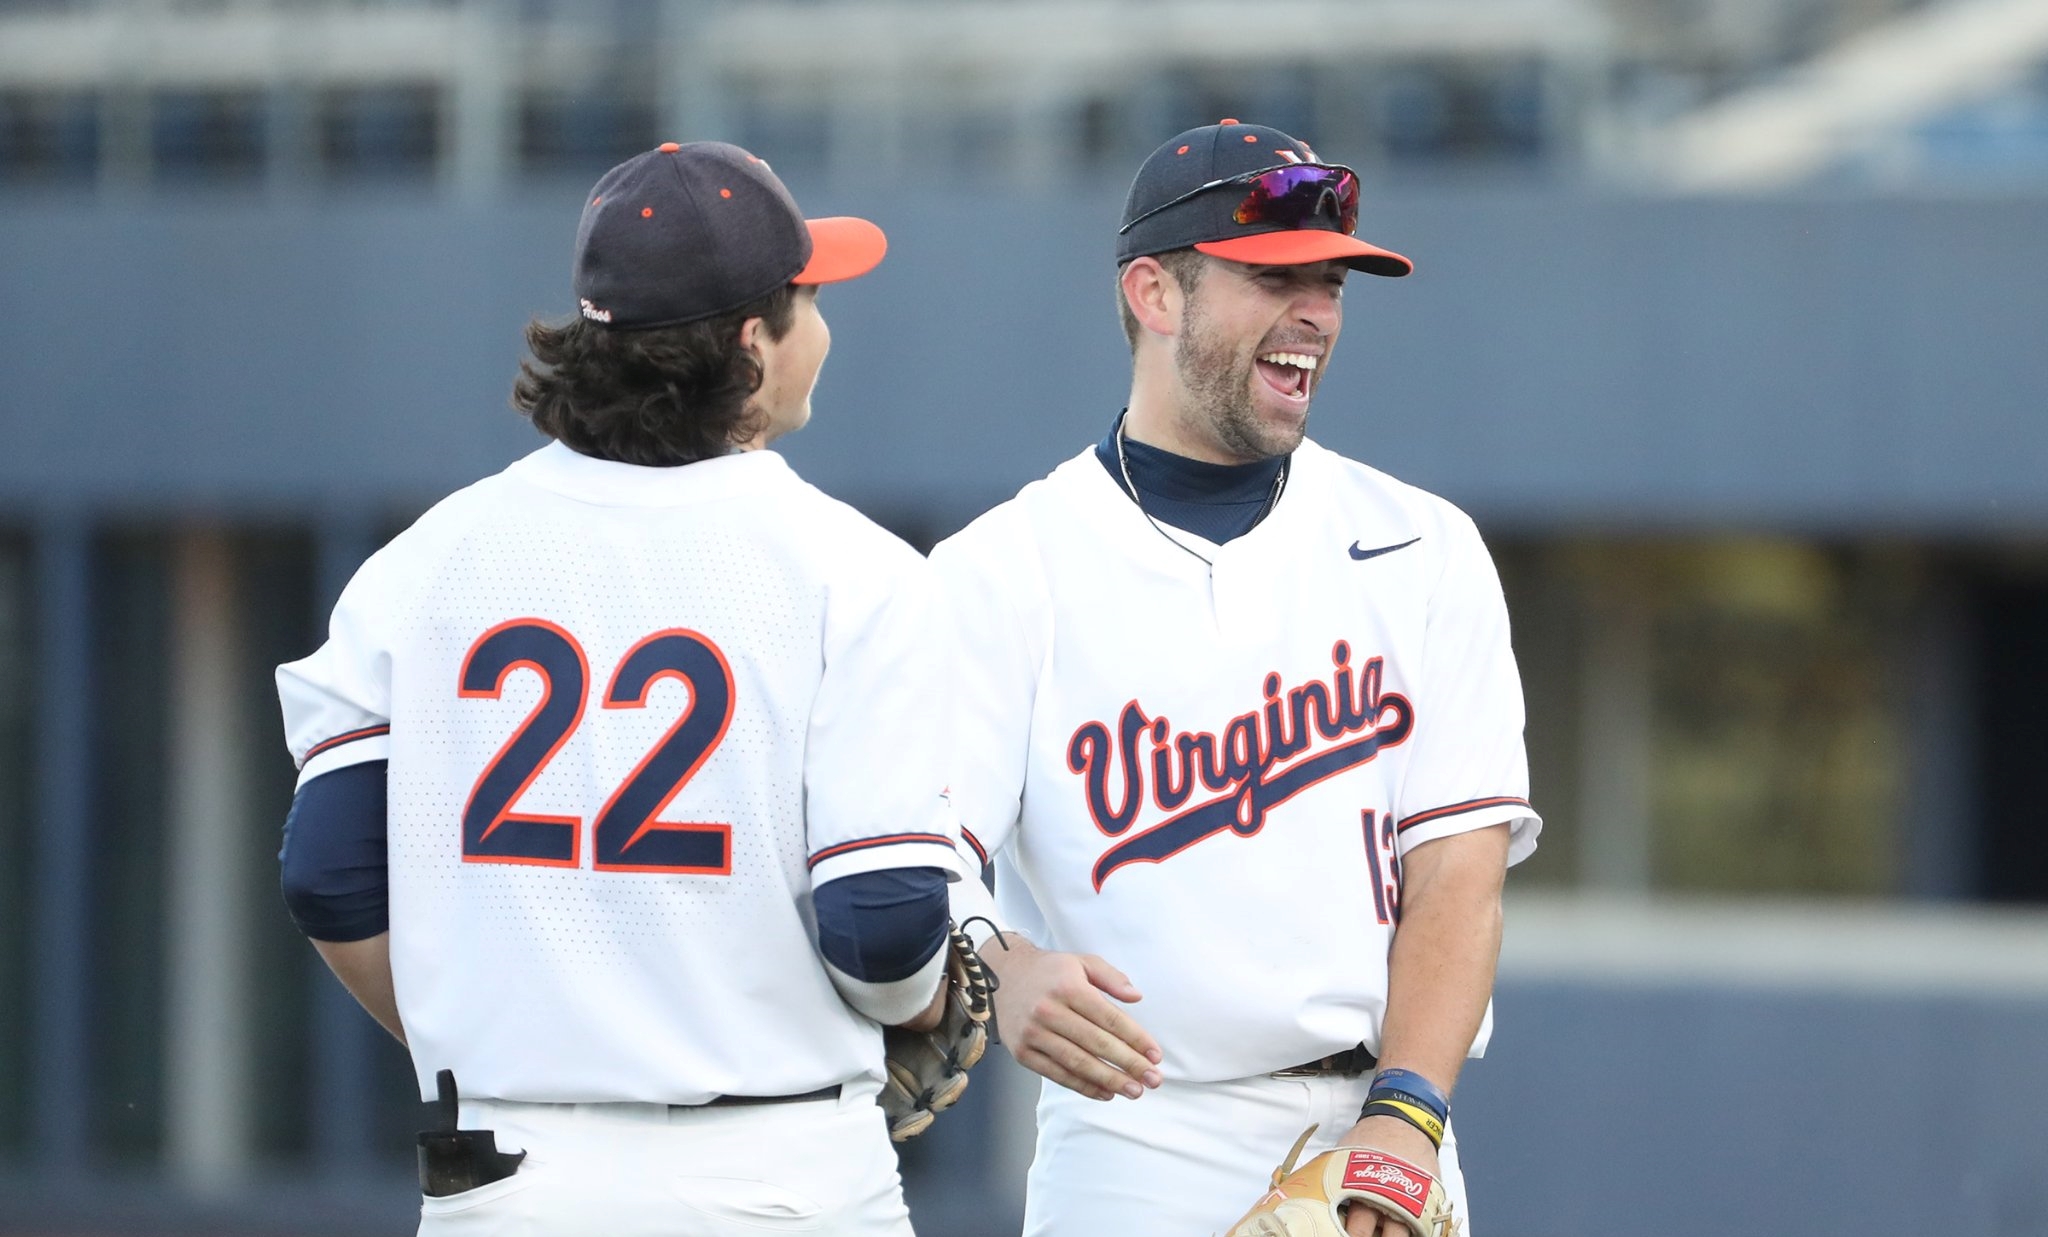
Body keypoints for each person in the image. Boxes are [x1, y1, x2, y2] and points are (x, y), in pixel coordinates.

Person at [274, 140, 966, 1236]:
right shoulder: (856, 572)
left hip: (509, 1176)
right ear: (752, 343)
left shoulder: (428, 560)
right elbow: (881, 929)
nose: (824, 329)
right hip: (780, 1170)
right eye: (811, 299)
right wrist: (922, 1003)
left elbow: (327, 873)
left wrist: (488, 1035)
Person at [934, 120, 1543, 1236]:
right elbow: (922, 857)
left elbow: (1458, 874)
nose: (1315, 310)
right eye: (1273, 276)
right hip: (1135, 1139)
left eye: (1331, 280)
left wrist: (1408, 1119)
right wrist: (998, 968)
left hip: (1382, 1117)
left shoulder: (1422, 544)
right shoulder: (1003, 568)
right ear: (1154, 295)